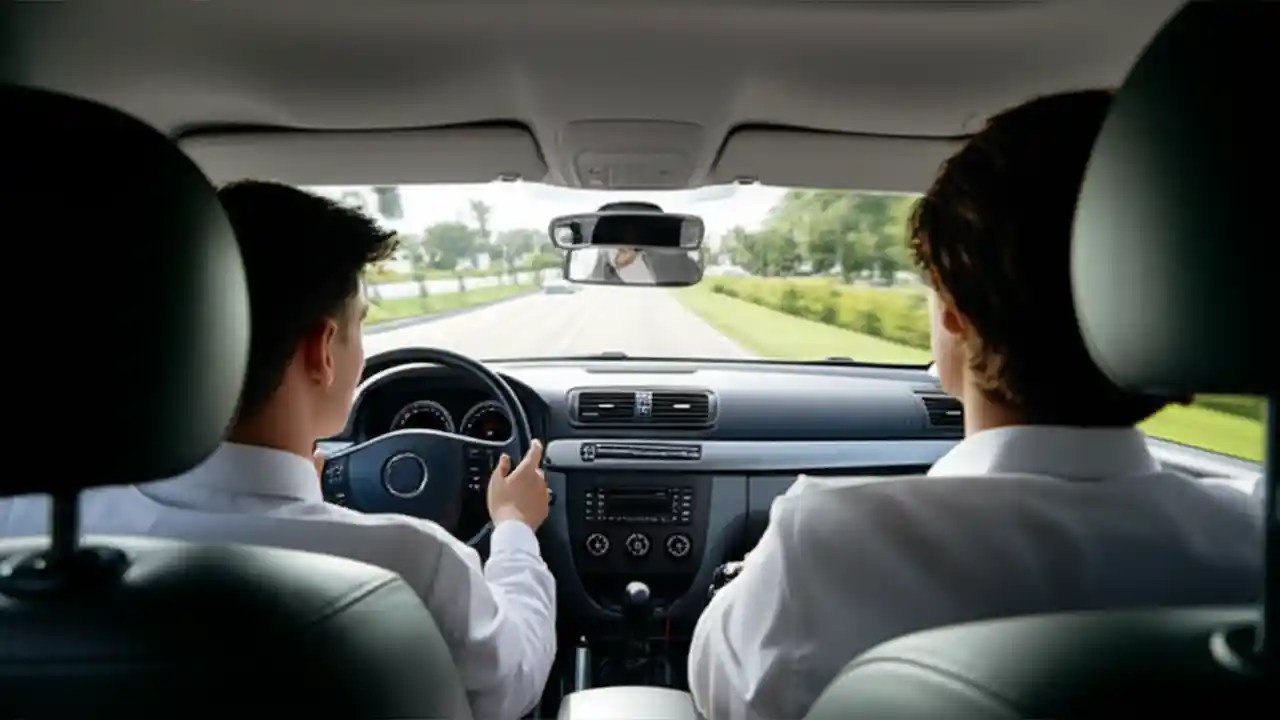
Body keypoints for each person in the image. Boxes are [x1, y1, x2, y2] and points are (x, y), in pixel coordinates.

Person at [686, 90, 1262, 719]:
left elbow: (720, 695)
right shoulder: (1256, 546)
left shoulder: (825, 545)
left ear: (954, 312)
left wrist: (750, 579)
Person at [0, 181, 556, 720]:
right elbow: (514, 683)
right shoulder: (414, 564)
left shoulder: (20, 534)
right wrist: (512, 529)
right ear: (322, 351)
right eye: (356, 327)